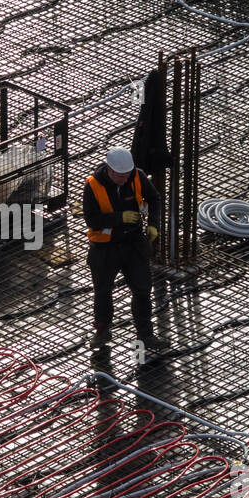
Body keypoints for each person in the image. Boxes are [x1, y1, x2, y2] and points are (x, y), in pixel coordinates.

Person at [82, 148, 168, 351]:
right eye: (119, 176)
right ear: (109, 170)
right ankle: (102, 331)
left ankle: (146, 336)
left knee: (143, 289)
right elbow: (91, 220)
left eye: (126, 175)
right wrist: (119, 218)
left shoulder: (136, 176)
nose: (123, 179)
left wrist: (153, 224)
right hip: (105, 247)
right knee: (102, 291)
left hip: (133, 243)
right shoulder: (93, 185)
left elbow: (154, 199)